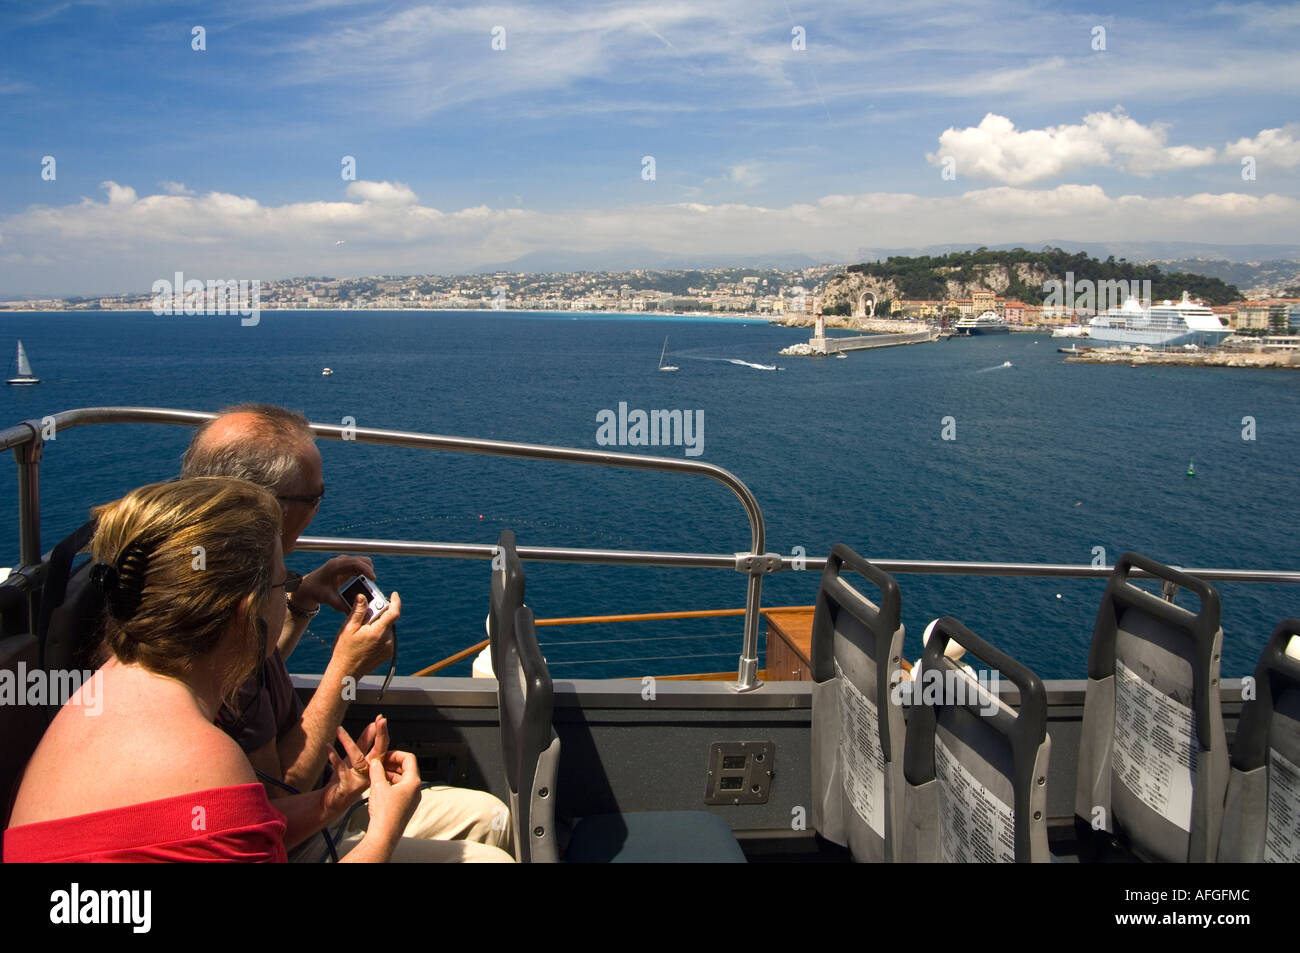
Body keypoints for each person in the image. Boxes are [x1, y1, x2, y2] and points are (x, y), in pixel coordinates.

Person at [3, 478, 421, 862]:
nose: (292, 590)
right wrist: (384, 830)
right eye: (283, 582)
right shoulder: (207, 765)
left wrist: (333, 798)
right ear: (247, 612)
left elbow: (220, 840)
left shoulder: (99, 695)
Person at [180, 404, 513, 862]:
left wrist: (299, 603)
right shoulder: (224, 609)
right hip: (290, 837)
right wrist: (346, 669)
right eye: (315, 497)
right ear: (270, 508)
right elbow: (276, 803)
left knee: (493, 817)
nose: (320, 507)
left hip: (319, 804)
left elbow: (251, 672)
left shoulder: (197, 570)